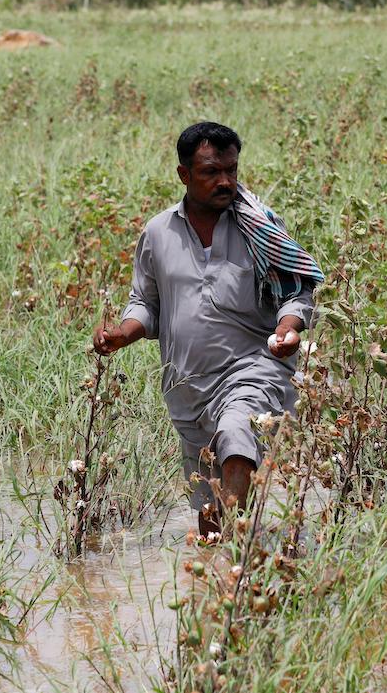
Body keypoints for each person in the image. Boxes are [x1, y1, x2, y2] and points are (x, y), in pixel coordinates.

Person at [93, 122, 322, 537]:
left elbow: (296, 291)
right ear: (183, 175)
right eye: (211, 172)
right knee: (207, 511)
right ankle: (221, 569)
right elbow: (145, 303)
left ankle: (234, 557)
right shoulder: (158, 234)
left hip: (253, 368)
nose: (226, 181)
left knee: (237, 432)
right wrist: (122, 335)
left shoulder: (260, 228)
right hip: (188, 389)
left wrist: (289, 329)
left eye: (231, 170)